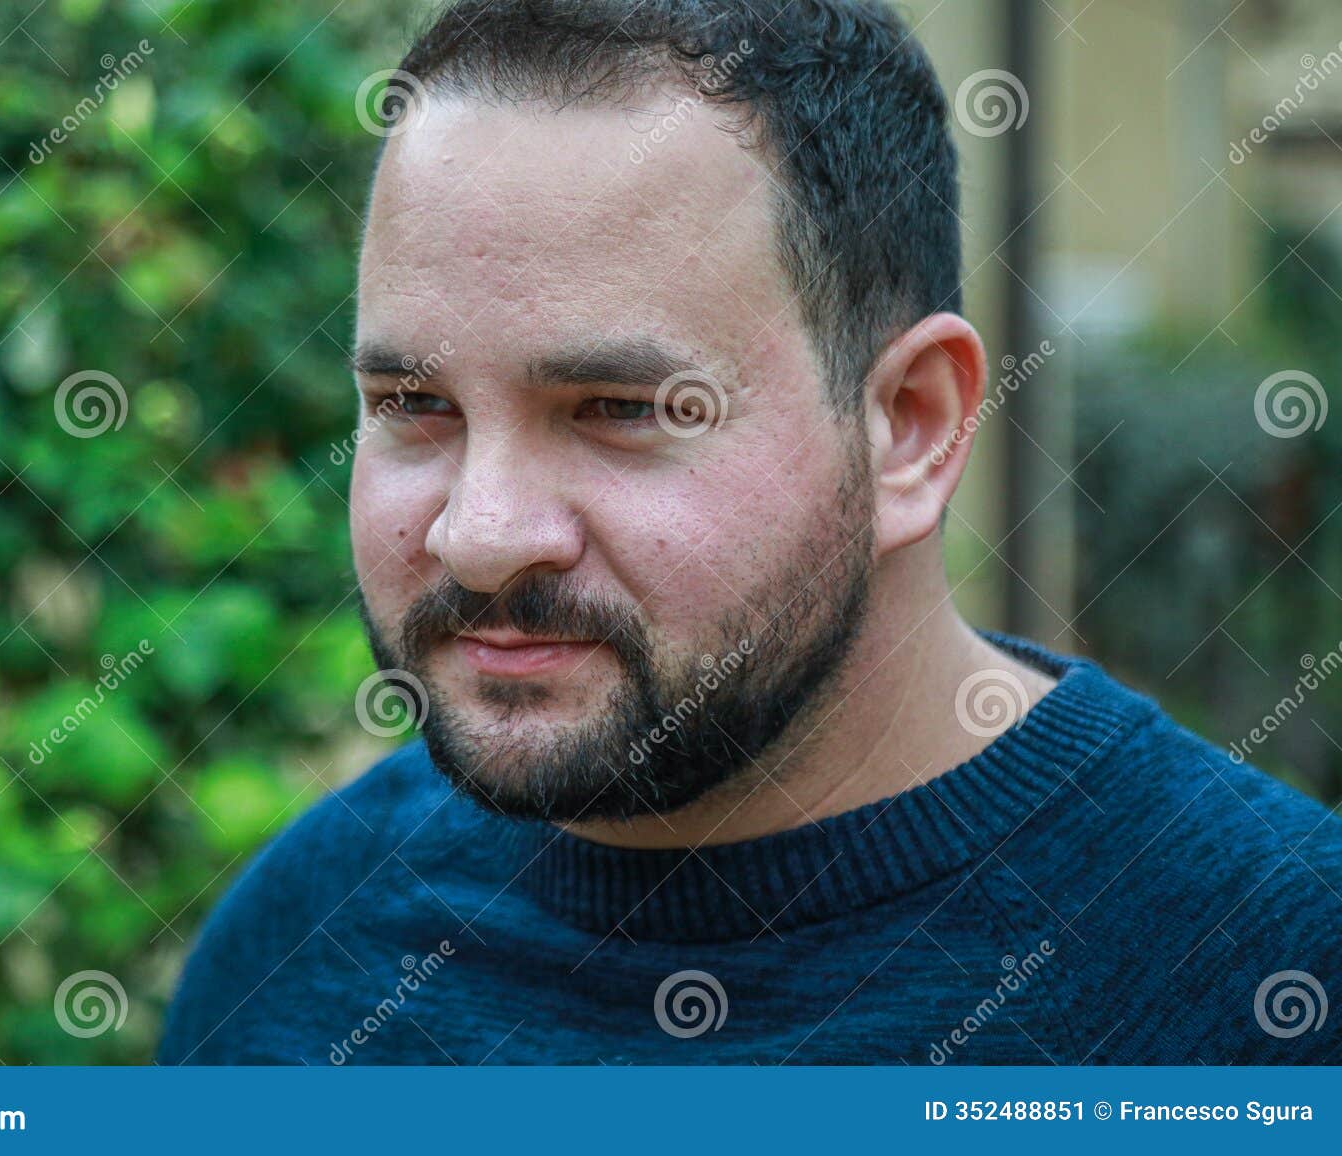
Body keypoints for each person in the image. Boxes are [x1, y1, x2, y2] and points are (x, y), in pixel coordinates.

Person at [160, 0, 1341, 1064]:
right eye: (416, 408)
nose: (481, 536)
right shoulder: (296, 950)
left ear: (909, 426)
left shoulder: (1268, 976)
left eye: (618, 411)